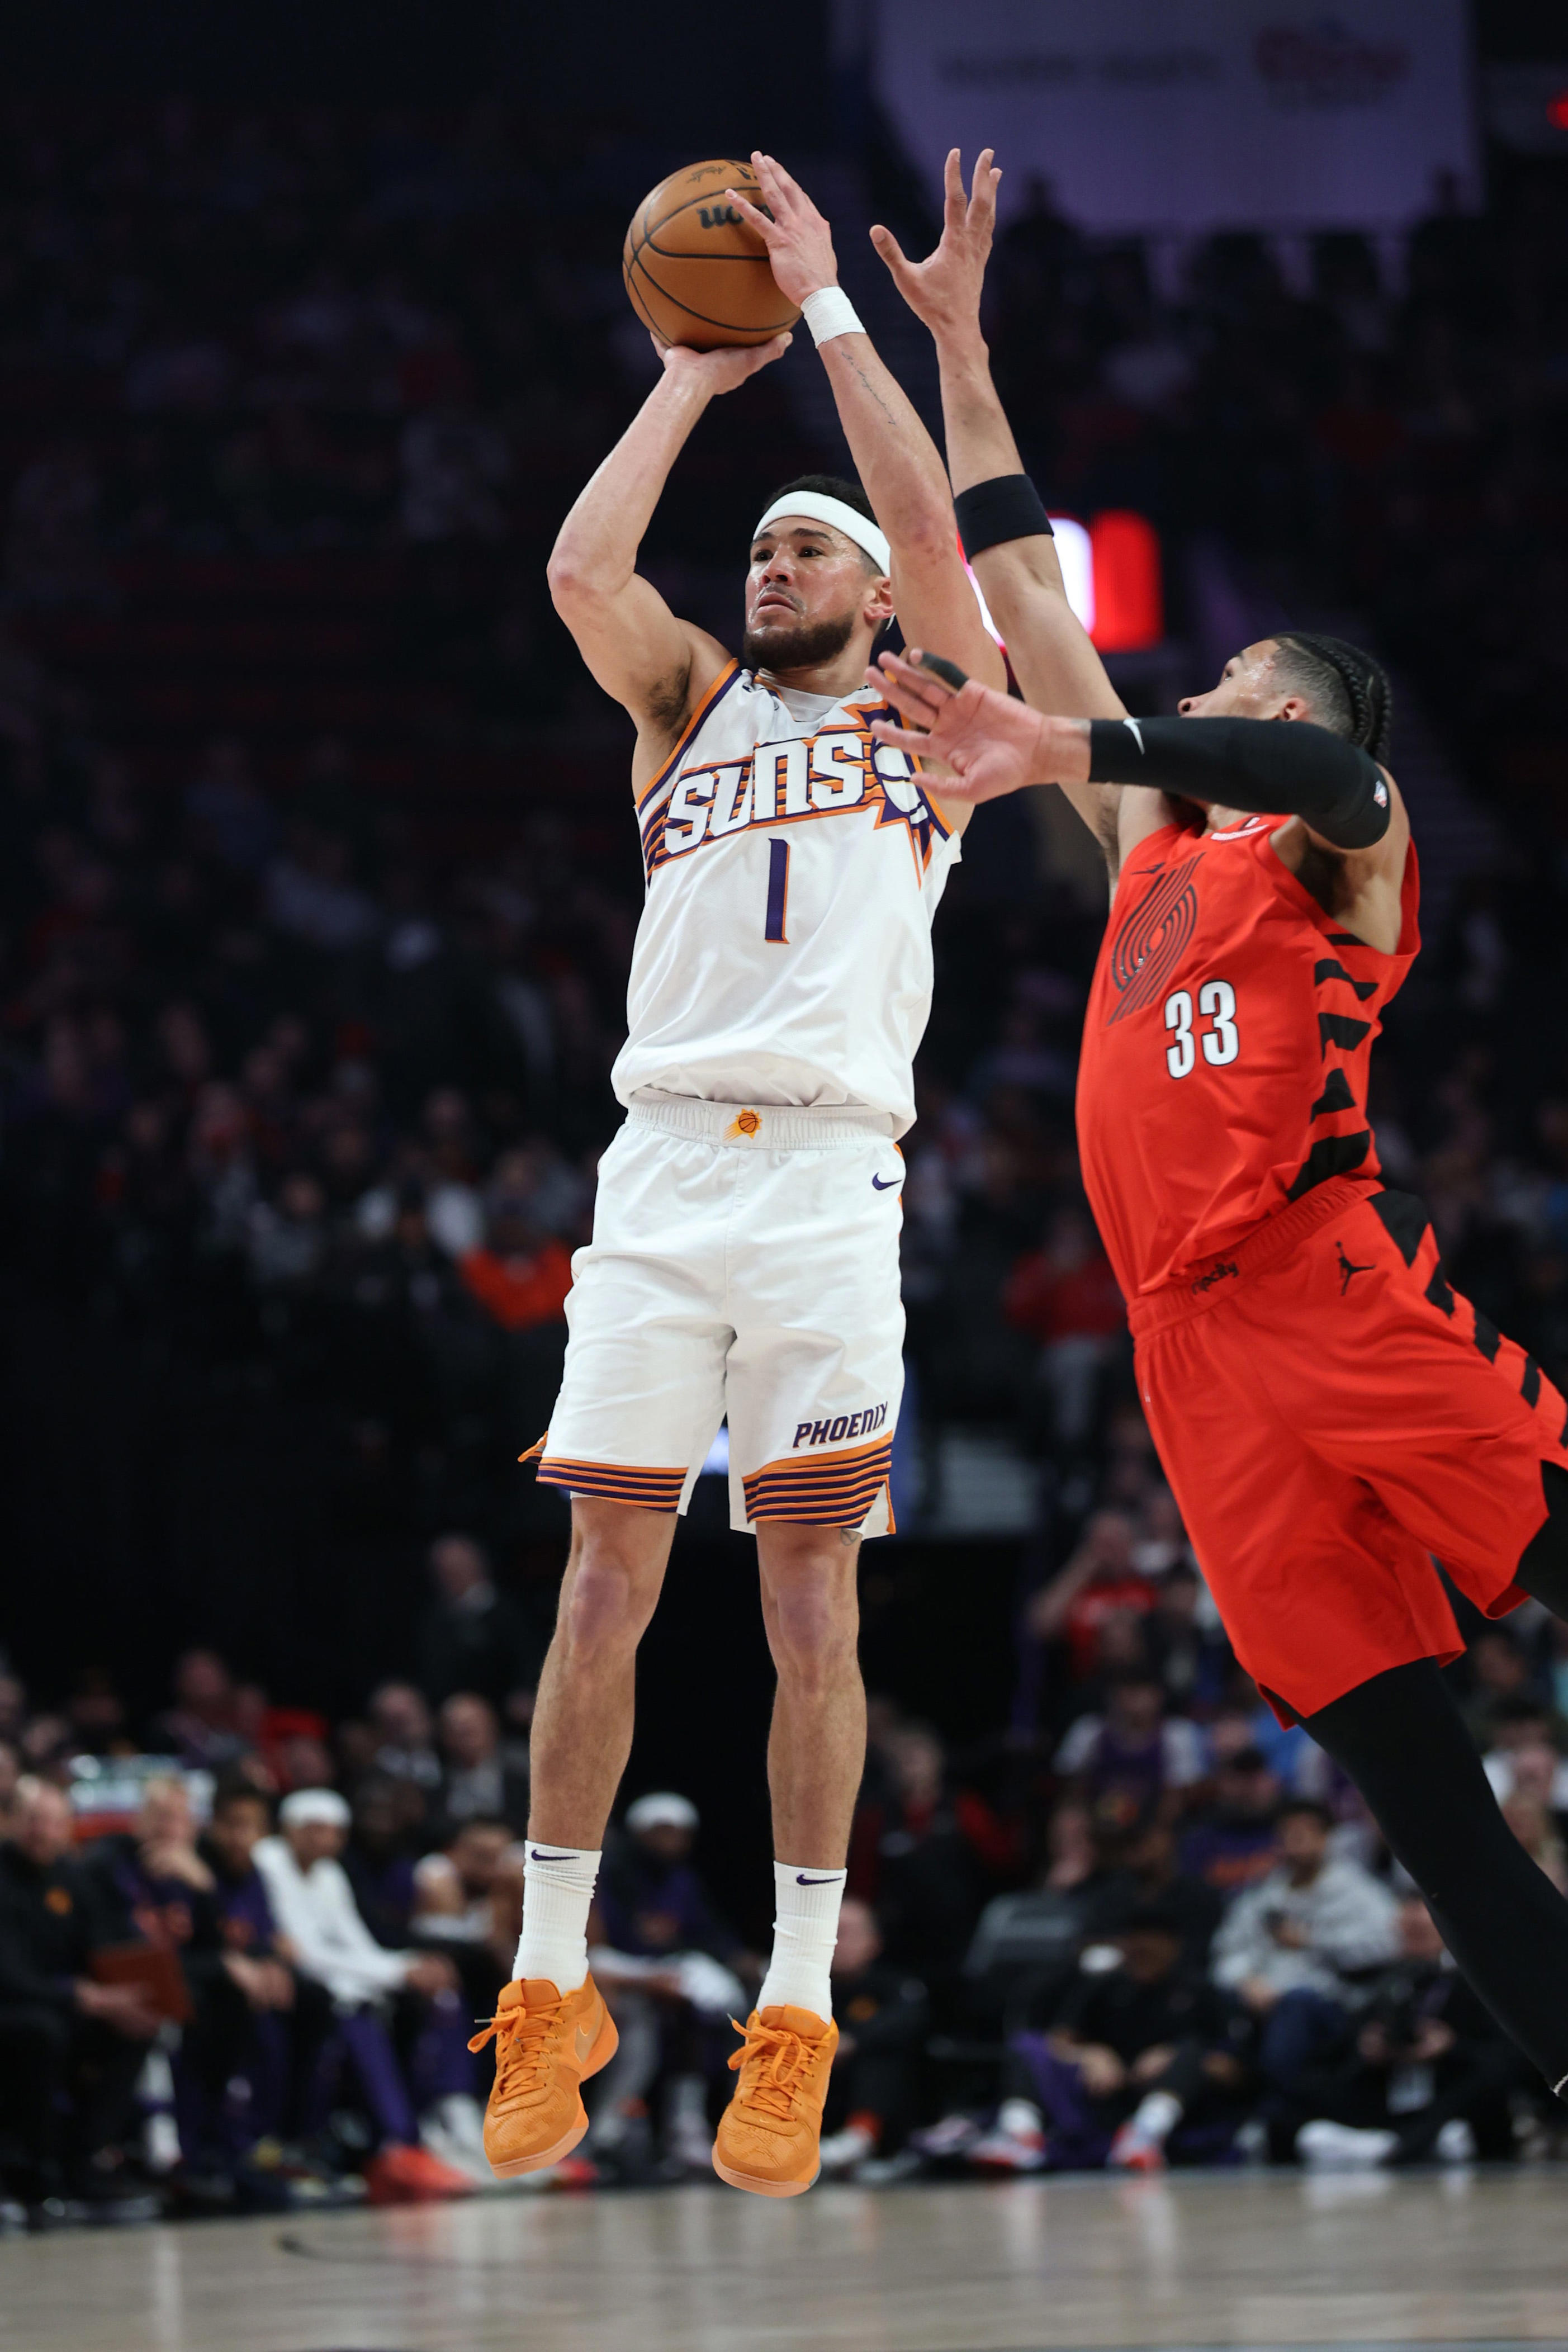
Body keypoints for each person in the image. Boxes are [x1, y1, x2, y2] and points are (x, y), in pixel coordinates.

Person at [864, 145, 1568, 2117]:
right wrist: (961, 346)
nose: (1200, 681)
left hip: (1322, 1272)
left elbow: (1295, 753)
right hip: (1188, 1358)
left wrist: (1067, 738)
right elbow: (1020, 575)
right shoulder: (1145, 842)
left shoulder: (1338, 834)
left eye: (1237, 670)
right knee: (1421, 1796)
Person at [473, 149, 1005, 2200]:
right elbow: (583, 579)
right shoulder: (687, 703)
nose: (771, 564)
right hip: (665, 1176)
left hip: (828, 1194)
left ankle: (796, 2005)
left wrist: (843, 331)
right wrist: (701, 378)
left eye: (806, 547)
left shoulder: (926, 719)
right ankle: (549, 1976)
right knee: (603, 1576)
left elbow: (949, 535)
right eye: (764, 550)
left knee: (807, 1601)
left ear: (872, 596)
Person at [253, 1790, 473, 2203]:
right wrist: (396, 1971)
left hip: (339, 1980)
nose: (328, 1840)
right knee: (354, 2013)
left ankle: (447, 2121)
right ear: (291, 1830)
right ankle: (396, 2142)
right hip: (299, 1988)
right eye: (317, 1830)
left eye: (336, 1832)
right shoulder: (269, 1862)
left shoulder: (331, 1872)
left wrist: (412, 1963)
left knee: (439, 1992)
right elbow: (304, 1952)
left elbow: (356, 1944)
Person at [973, 1903, 1250, 2174]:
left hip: (1178, 2109)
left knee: (1193, 2050)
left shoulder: (1203, 1992)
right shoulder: (1106, 1986)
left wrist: (1176, 2058)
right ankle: (1020, 2133)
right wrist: (1092, 2054)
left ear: (1173, 1945)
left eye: (1151, 1940)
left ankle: (1146, 2134)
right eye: (1133, 1939)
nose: (1140, 1948)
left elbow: (1233, 2071)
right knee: (1028, 2045)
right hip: (1107, 2100)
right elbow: (1061, 2039)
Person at [0, 1778, 161, 2218]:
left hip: (66, 2003)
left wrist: (131, 1989)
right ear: (12, 1821)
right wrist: (79, 1994)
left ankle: (85, 2159)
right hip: (18, 2004)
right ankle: (31, 2167)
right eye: (33, 1820)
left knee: (139, 2025)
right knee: (40, 2033)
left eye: (54, 1822)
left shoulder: (71, 1876)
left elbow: (105, 1941)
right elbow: (8, 1970)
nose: (43, 1831)